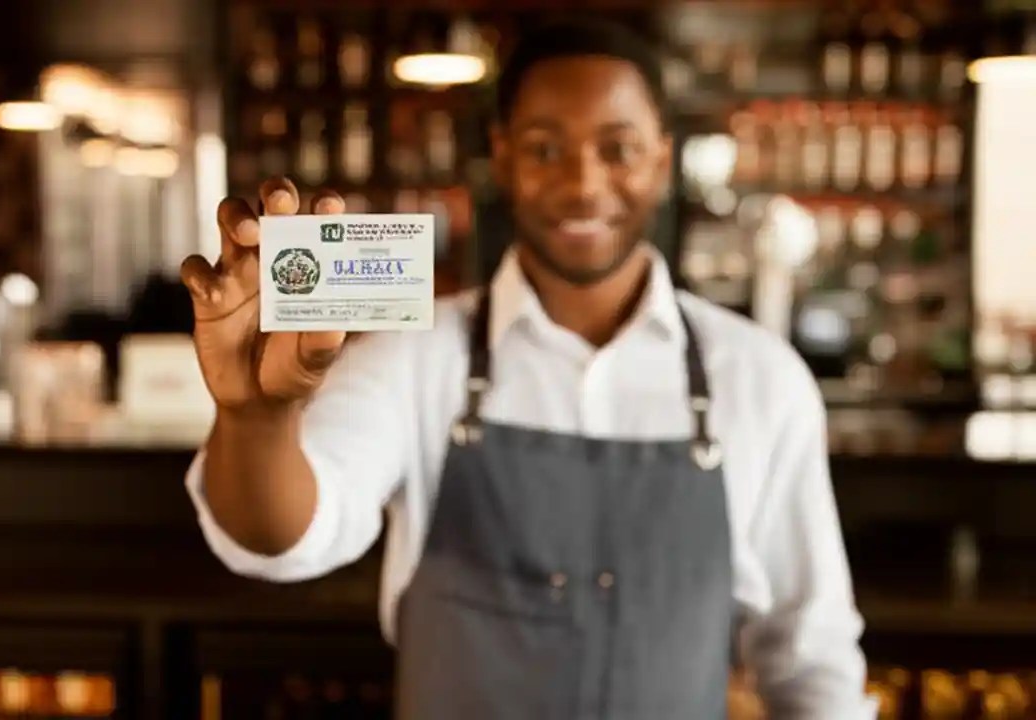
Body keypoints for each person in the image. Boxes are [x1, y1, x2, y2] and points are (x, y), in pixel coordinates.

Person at [180, 18, 875, 720]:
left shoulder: (759, 377)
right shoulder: (414, 359)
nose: (582, 183)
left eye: (619, 149)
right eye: (546, 149)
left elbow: (811, 659)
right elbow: (283, 540)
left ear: (662, 162)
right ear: (503, 157)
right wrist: (257, 417)